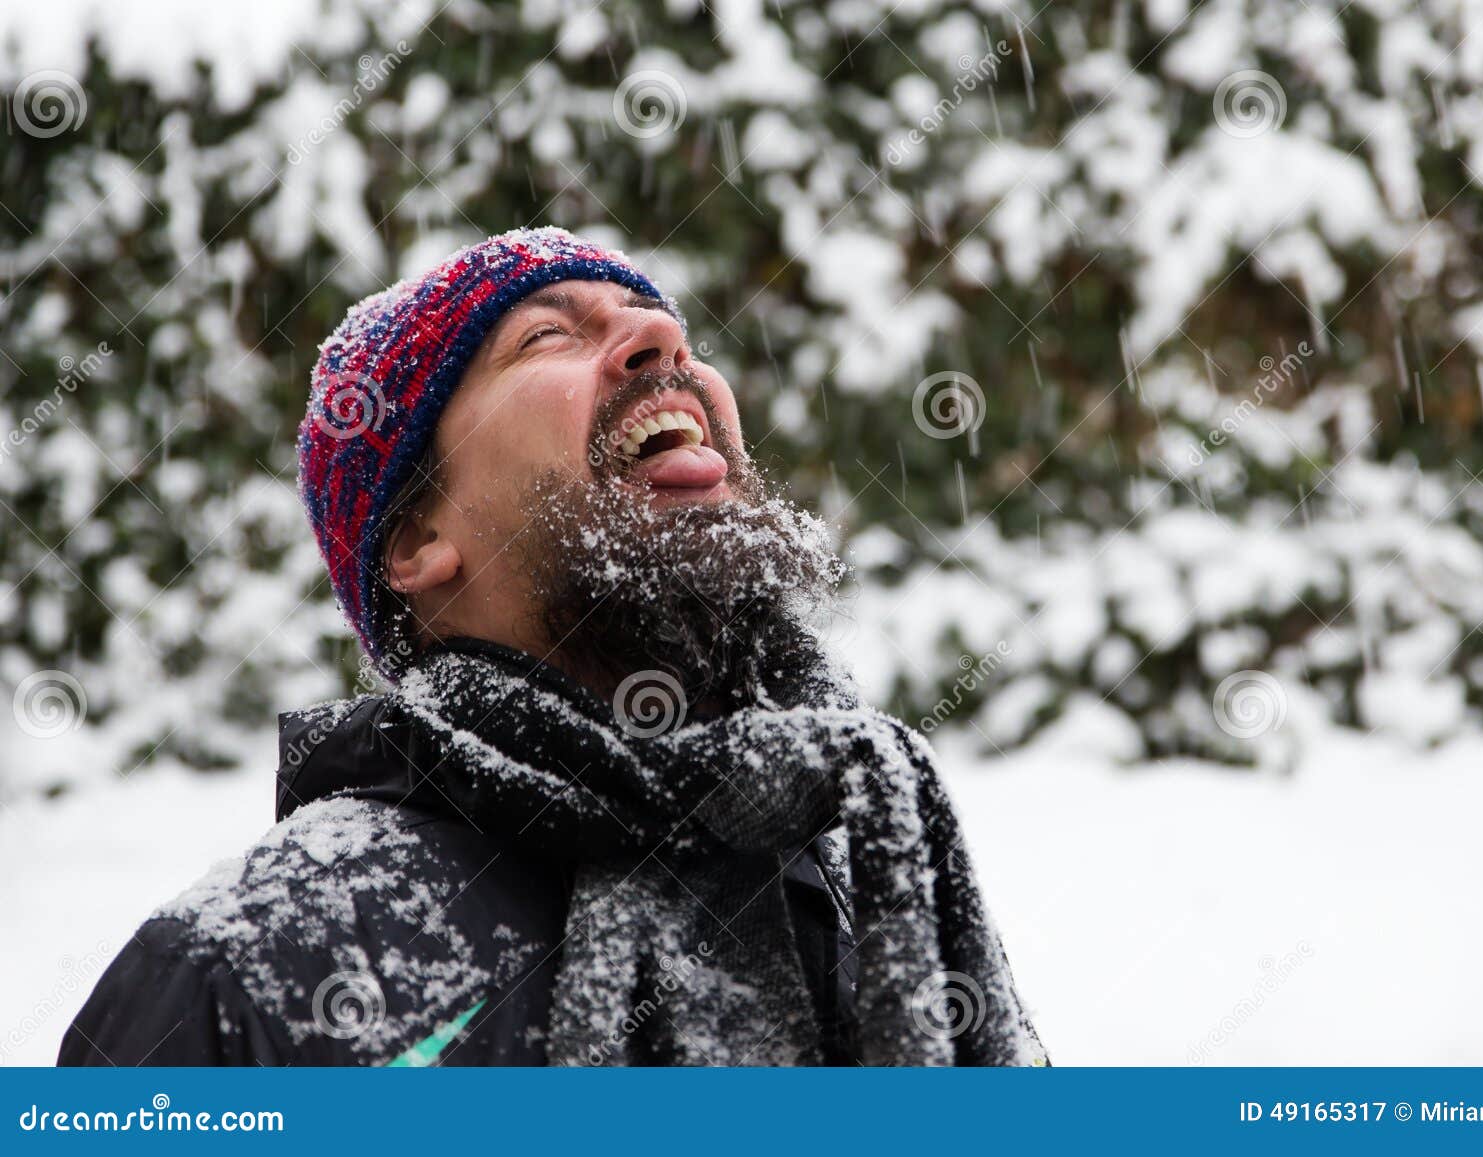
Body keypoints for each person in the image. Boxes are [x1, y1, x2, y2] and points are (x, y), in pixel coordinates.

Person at [59, 227, 1044, 1066]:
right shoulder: (250, 973)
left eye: (670, 331)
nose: (661, 341)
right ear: (414, 542)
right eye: (546, 335)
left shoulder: (864, 853)